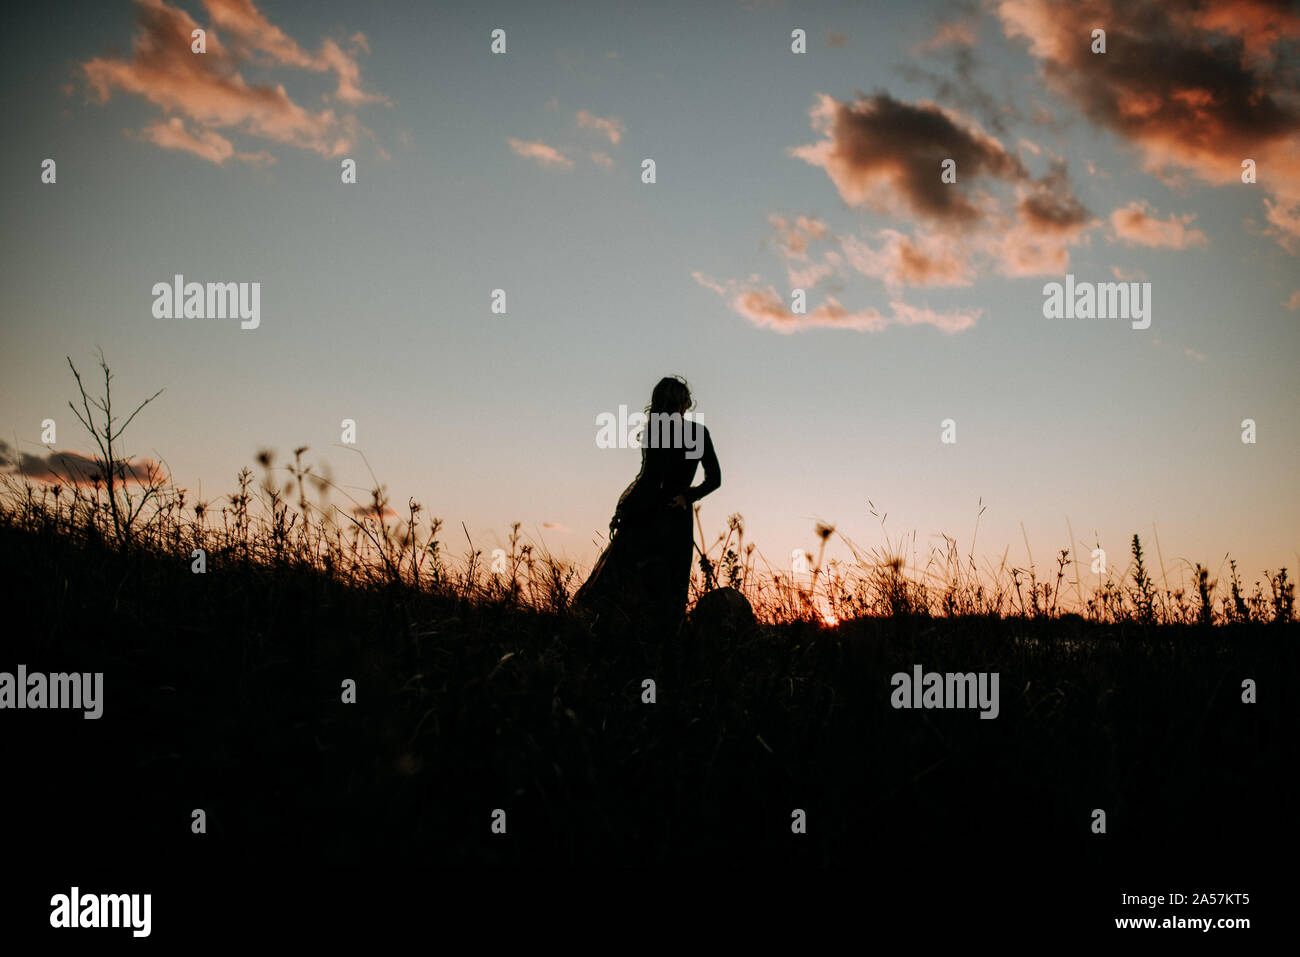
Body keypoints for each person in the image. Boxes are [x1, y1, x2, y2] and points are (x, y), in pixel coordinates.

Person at [577, 376, 721, 633]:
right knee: (634, 581)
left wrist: (686, 497)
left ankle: (649, 641)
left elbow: (714, 479)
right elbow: (648, 478)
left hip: (668, 516)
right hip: (648, 514)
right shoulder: (658, 432)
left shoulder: (692, 433)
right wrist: (624, 509)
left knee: (662, 584)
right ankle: (626, 639)